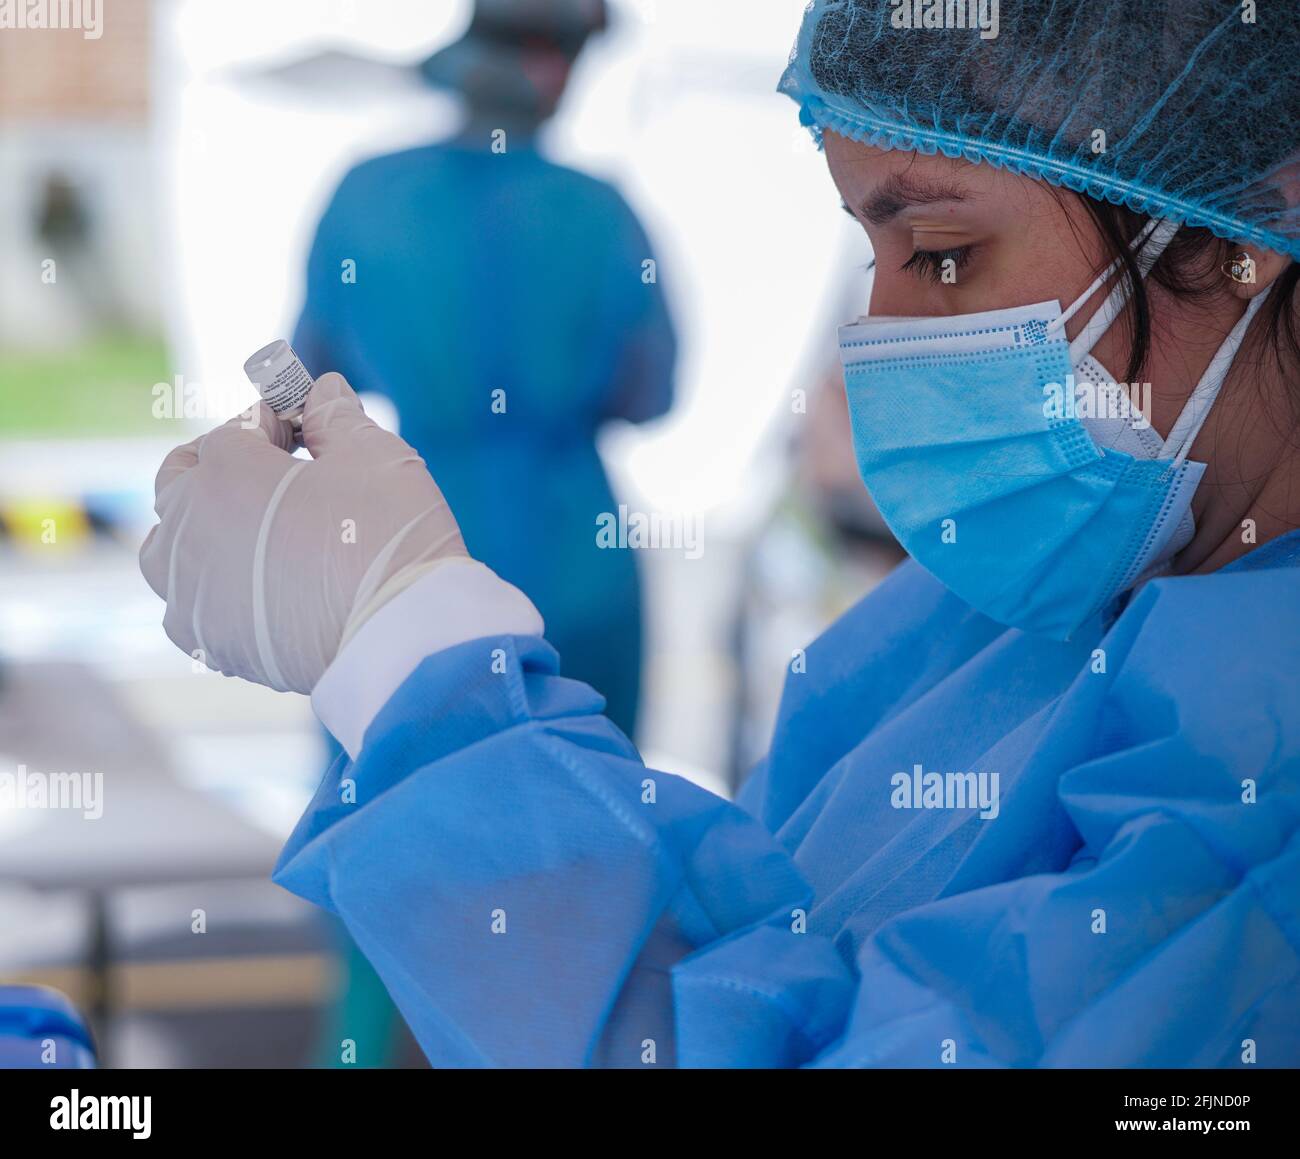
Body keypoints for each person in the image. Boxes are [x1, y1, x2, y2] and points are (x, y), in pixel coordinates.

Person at [141, 1, 1300, 1066]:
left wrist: (404, 650)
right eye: (872, 254)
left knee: (400, 903)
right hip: (576, 545)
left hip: (416, 512)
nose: (878, 334)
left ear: (1239, 232)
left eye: (942, 253)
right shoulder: (1000, 624)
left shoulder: (1258, 789)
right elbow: (722, 952)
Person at [293, 0, 675, 741]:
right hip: (576, 565)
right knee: (583, 796)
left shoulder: (368, 195)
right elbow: (651, 392)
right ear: (559, 69)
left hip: (408, 560)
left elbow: (311, 379)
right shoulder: (600, 212)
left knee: (392, 796)